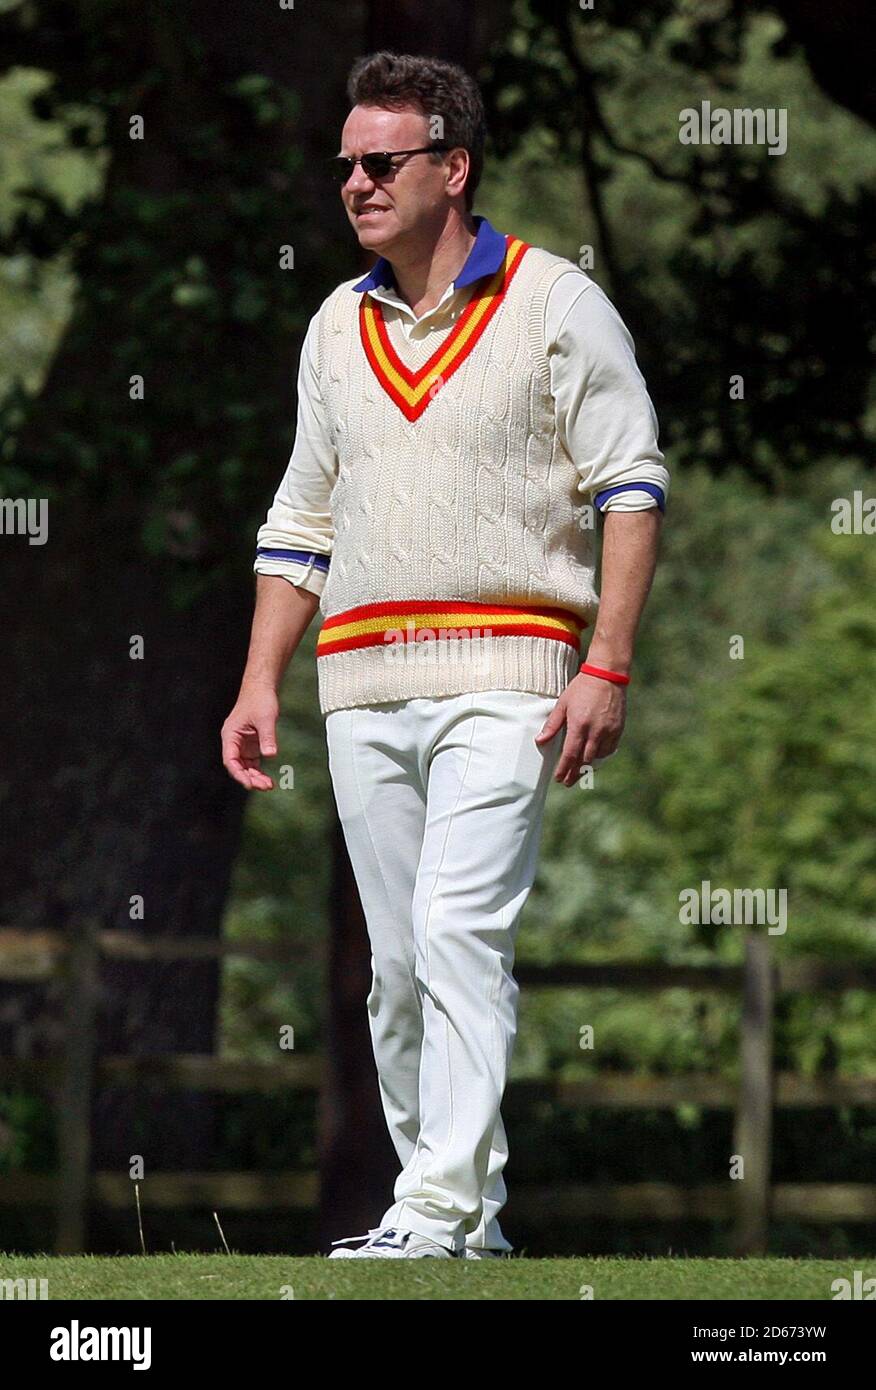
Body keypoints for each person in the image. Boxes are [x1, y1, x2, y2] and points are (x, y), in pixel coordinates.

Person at [221, 50, 669, 1259]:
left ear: (452, 166)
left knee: (461, 932)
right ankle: (460, 1223)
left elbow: (632, 487)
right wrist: (261, 679)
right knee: (400, 965)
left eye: (382, 162)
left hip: (510, 673)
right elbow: (300, 524)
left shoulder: (556, 303)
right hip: (359, 685)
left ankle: (434, 1211)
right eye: (346, 166)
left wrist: (607, 663)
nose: (356, 184)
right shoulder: (333, 322)